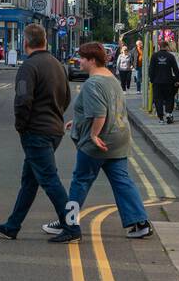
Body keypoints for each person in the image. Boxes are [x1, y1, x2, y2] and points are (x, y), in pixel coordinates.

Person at [42, 43, 152, 239]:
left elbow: (100, 114)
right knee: (122, 181)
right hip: (119, 138)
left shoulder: (93, 83)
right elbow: (108, 108)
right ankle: (140, 222)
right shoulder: (111, 78)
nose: (79, 61)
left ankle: (68, 223)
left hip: (99, 142)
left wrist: (93, 135)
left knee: (80, 181)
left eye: (82, 58)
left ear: (92, 60)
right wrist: (77, 121)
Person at [0, 23, 80, 243]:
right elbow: (67, 97)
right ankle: (13, 225)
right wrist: (56, 115)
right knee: (30, 180)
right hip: (54, 129)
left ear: (25, 42)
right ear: (45, 41)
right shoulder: (57, 65)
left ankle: (72, 227)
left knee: (50, 180)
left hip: (36, 131)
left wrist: (21, 125)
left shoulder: (28, 67)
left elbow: (23, 99)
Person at [148, 39, 179, 124]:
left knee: (158, 99)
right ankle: (168, 113)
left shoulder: (154, 56)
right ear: (167, 46)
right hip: (168, 81)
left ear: (159, 46)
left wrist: (152, 80)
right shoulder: (170, 56)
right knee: (169, 98)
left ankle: (161, 118)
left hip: (157, 82)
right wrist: (178, 79)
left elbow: (151, 70)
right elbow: (175, 69)